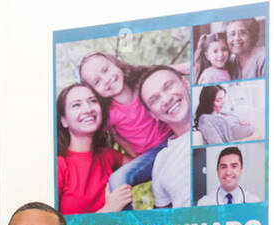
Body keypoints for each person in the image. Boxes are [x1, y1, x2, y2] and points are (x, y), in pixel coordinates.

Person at [77, 52, 187, 198]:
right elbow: (115, 136)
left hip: (173, 138)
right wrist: (134, 156)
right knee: (117, 179)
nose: (107, 79)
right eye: (97, 82)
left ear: (116, 64)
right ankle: (127, 220)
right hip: (149, 156)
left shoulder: (141, 83)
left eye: (106, 70)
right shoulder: (108, 113)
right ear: (94, 91)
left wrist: (188, 67)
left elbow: (163, 73)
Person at [54, 83, 131, 214]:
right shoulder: (59, 165)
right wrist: (107, 210)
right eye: (76, 105)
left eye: (92, 101)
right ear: (64, 121)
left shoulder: (108, 156)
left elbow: (144, 164)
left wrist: (116, 134)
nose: (88, 109)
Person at [137, 66, 205, 209]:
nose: (166, 99)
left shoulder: (221, 121)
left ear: (186, 84)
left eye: (168, 86)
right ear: (153, 114)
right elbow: (164, 218)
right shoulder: (161, 161)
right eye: (155, 99)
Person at [193, 85, 259, 145]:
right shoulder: (205, 120)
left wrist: (241, 123)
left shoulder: (222, 112)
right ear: (208, 101)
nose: (223, 102)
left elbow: (233, 126)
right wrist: (251, 138)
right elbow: (217, 144)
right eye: (219, 100)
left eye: (223, 98)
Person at [196, 146, 261, 205]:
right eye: (224, 167)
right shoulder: (204, 203)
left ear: (241, 170)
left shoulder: (254, 202)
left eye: (234, 166)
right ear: (217, 171)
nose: (228, 172)